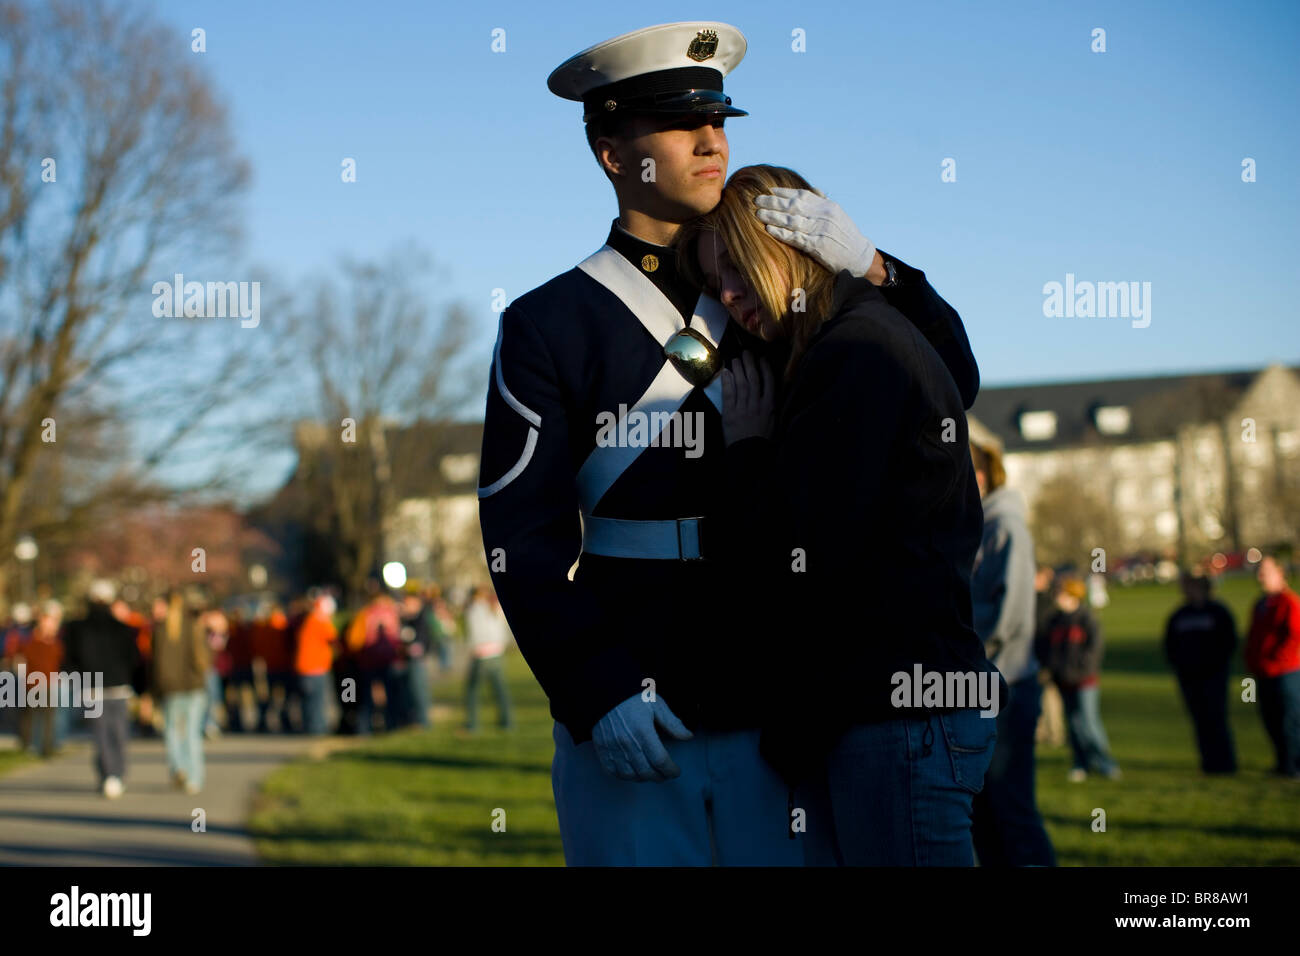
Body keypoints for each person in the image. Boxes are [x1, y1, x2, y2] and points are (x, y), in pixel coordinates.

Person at [478, 22, 981, 867]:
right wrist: (595, 689)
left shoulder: (784, 290)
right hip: (634, 699)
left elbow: (946, 388)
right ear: (613, 151)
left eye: (718, 119)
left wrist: (877, 269)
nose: (712, 140)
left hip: (780, 704)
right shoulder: (546, 322)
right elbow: (521, 543)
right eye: (679, 123)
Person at [679, 162, 998, 866]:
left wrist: (749, 449)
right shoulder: (854, 336)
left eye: (738, 265)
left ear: (795, 245)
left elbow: (796, 559)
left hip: (895, 713)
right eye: (713, 282)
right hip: (904, 707)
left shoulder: (852, 351)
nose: (728, 295)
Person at [967, 429, 1056, 866]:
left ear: (983, 473)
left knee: (1012, 810)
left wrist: (955, 648)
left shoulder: (1006, 526)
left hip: (1008, 686)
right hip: (979, 686)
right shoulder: (975, 524)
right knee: (984, 815)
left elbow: (1011, 614)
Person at [1036, 574, 1120, 782]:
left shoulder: (1087, 619)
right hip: (1061, 680)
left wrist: (1080, 671)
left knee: (1089, 723)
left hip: (1084, 681)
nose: (1057, 596)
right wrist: (1051, 670)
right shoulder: (1054, 621)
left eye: (1062, 592)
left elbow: (1094, 651)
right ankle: (1080, 763)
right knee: (1073, 725)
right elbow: (1045, 649)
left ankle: (1105, 763)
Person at [63, 580, 139, 799]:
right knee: (119, 733)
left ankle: (108, 775)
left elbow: (70, 661)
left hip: (92, 688)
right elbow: (133, 660)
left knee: (102, 735)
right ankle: (117, 774)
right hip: (118, 687)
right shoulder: (124, 629)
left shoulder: (76, 629)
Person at [1163, 572, 1237, 774]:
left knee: (1216, 718)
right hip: (1189, 677)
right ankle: (1208, 763)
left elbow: (1229, 642)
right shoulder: (1180, 615)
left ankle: (1226, 764)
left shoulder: (1218, 612)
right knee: (1199, 720)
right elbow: (1170, 644)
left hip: (1213, 676)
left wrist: (1214, 665)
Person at [1244, 556, 1300, 777]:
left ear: (1281, 573)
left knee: (1291, 720)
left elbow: (1294, 637)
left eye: (1265, 571)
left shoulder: (1289, 602)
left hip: (1286, 673)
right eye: (1258, 571)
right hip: (1261, 673)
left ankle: (1295, 767)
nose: (1260, 576)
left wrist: (1274, 659)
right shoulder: (1261, 603)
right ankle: (1282, 763)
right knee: (1271, 720)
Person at [151, 591, 211, 794]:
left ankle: (179, 768)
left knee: (172, 732)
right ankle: (194, 778)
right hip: (194, 688)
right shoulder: (193, 627)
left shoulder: (160, 631)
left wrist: (156, 690)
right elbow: (202, 658)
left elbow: (157, 664)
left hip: (172, 689)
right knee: (192, 734)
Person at [14, 600, 64, 757]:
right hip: (31, 682)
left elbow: (60, 660)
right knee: (29, 715)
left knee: (48, 716)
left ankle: (46, 747)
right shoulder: (30, 640)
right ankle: (27, 744)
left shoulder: (56, 643)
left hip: (49, 682)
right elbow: (22, 658)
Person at [462, 586, 514, 733]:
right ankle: (507, 721)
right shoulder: (495, 607)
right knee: (500, 689)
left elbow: (474, 632)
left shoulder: (474, 610)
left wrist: (472, 648)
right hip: (496, 652)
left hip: (481, 653)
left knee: (472, 691)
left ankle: (472, 724)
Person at [296, 591, 338, 735]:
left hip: (306, 668)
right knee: (317, 702)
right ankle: (317, 731)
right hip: (315, 668)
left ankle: (311, 728)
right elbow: (334, 638)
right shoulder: (319, 620)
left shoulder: (310, 619)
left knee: (310, 702)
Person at [1033, 565, 1066, 747]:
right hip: (1044, 655)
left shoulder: (1042, 602)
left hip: (1043, 656)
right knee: (1045, 697)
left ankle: (1052, 733)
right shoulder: (1049, 602)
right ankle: (1047, 732)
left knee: (1049, 697)